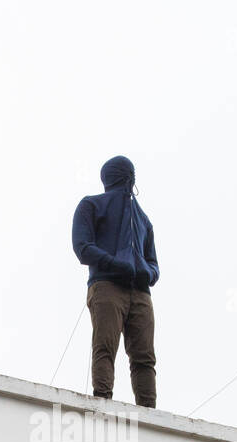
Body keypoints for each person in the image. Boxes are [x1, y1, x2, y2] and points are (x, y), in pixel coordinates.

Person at [72, 156, 159, 407]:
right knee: (106, 346)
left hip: (140, 293)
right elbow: (82, 247)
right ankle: (102, 401)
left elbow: (154, 263)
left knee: (144, 357)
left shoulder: (143, 220)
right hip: (107, 286)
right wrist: (115, 264)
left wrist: (148, 274)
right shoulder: (91, 205)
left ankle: (149, 413)